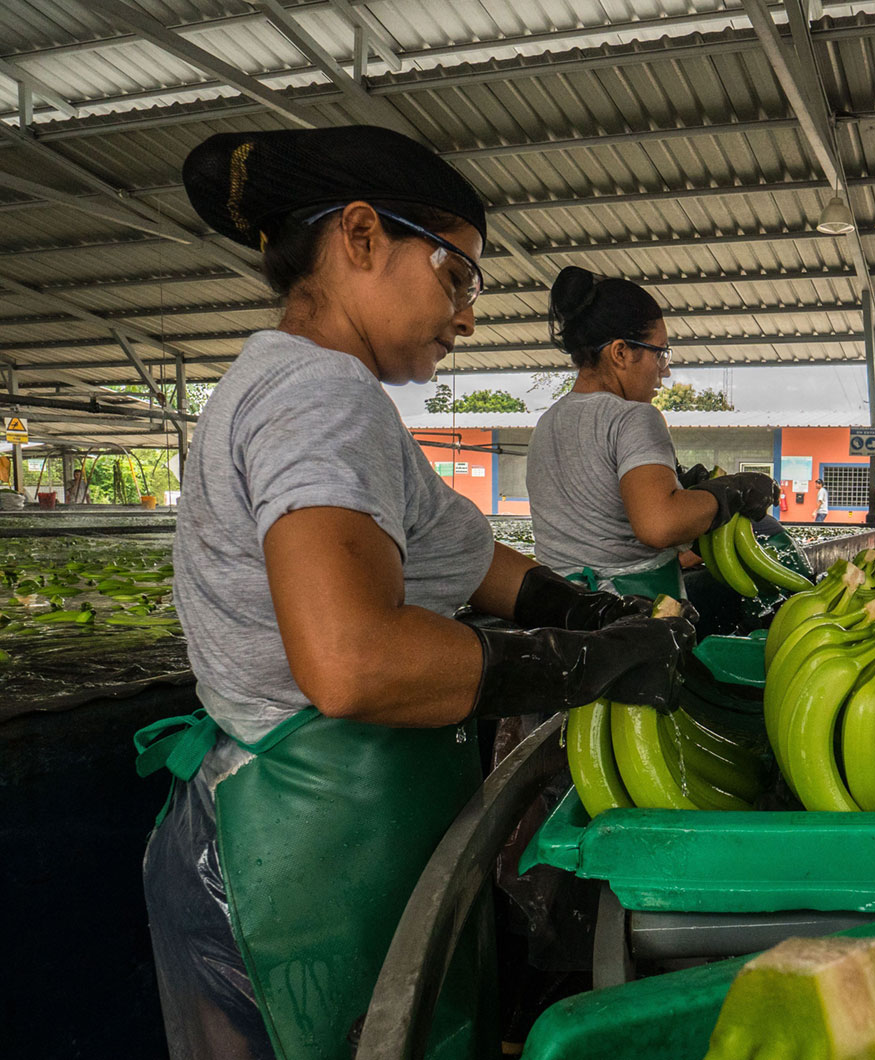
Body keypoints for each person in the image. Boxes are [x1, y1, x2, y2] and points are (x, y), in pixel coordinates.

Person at [139, 126, 696, 1060]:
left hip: (283, 833)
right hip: (301, 862)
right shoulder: (321, 395)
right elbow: (354, 661)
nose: (467, 315)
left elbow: (469, 558)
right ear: (362, 237)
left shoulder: (303, 388)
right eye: (458, 276)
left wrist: (584, 611)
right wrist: (578, 667)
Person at [526, 267, 775, 598]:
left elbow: (600, 506)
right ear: (621, 353)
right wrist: (730, 494)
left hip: (562, 608)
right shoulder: (634, 417)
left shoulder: (548, 423)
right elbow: (659, 525)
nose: (665, 370)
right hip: (631, 611)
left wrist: (683, 487)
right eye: (660, 353)